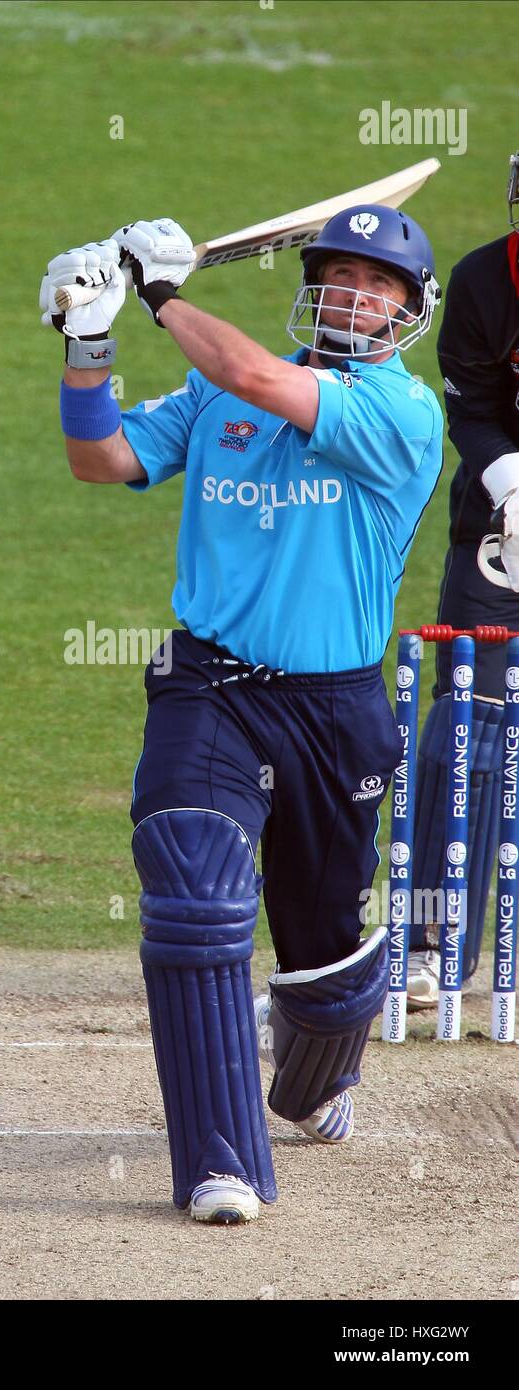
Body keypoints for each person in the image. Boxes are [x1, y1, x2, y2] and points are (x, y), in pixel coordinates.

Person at [40, 203, 443, 1224]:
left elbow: (261, 378)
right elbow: (103, 459)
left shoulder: (401, 416)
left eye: (376, 284)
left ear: (408, 311)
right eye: (337, 274)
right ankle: (219, 1162)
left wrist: (163, 295)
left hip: (333, 710)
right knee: (189, 886)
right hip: (208, 685)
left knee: (324, 963)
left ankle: (312, 1077)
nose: (352, 295)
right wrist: (89, 348)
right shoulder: (215, 395)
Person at [407, 152, 519, 1009]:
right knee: (470, 726)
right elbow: (472, 410)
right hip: (500, 524)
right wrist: (511, 485)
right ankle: (432, 941)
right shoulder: (485, 280)